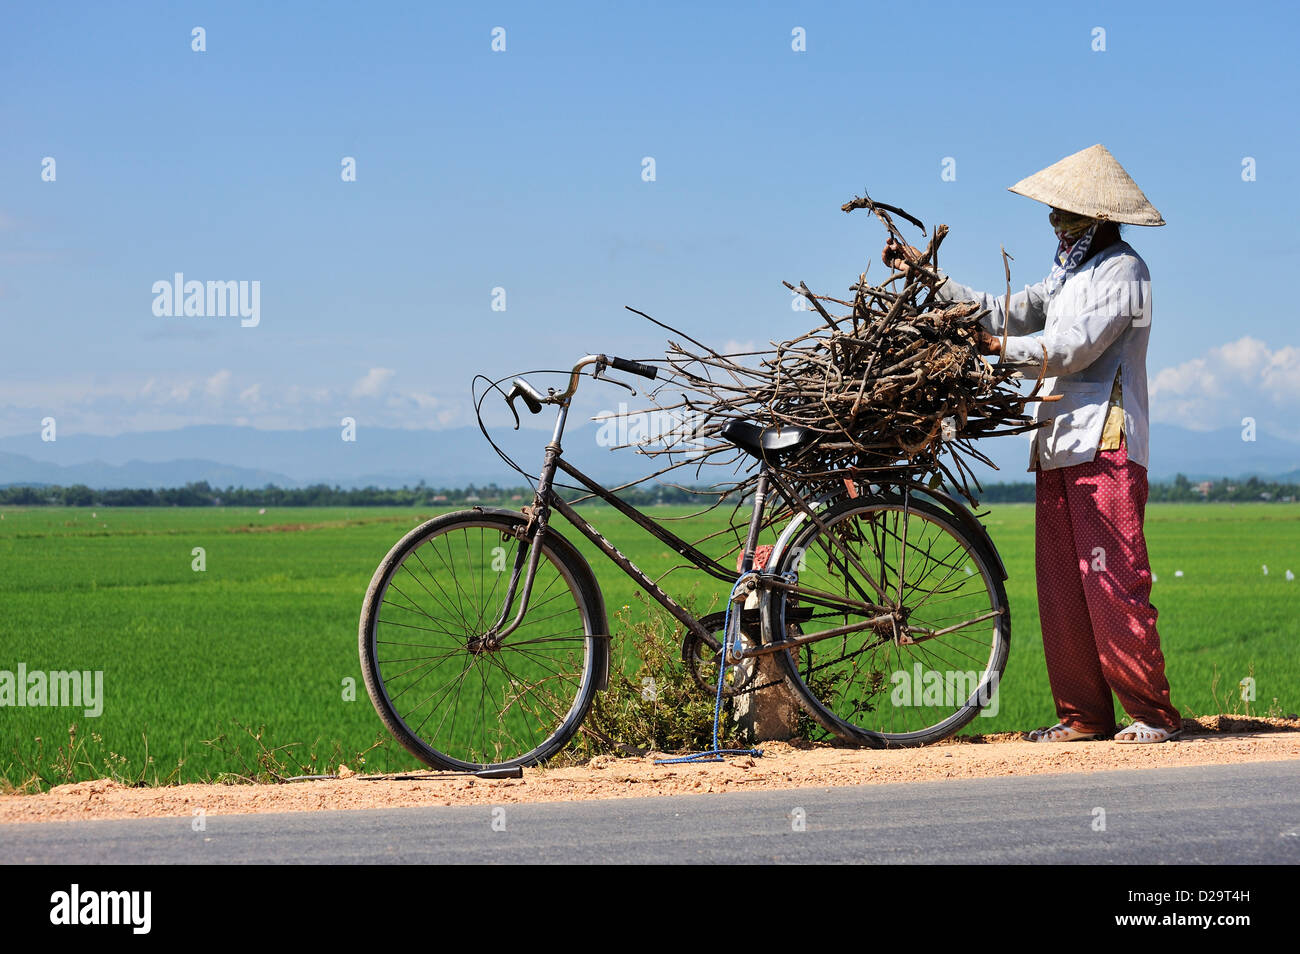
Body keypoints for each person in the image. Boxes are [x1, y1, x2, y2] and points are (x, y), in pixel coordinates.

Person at [882, 144, 1182, 743]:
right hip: (1056, 444)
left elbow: (1075, 347)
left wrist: (1002, 353)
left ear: (1095, 217)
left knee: (1112, 581)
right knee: (1062, 588)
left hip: (1106, 442)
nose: (1052, 220)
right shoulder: (1065, 276)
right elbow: (1002, 311)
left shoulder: (1125, 271)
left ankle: (1151, 715)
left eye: (1063, 212)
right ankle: (1084, 717)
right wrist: (929, 280)